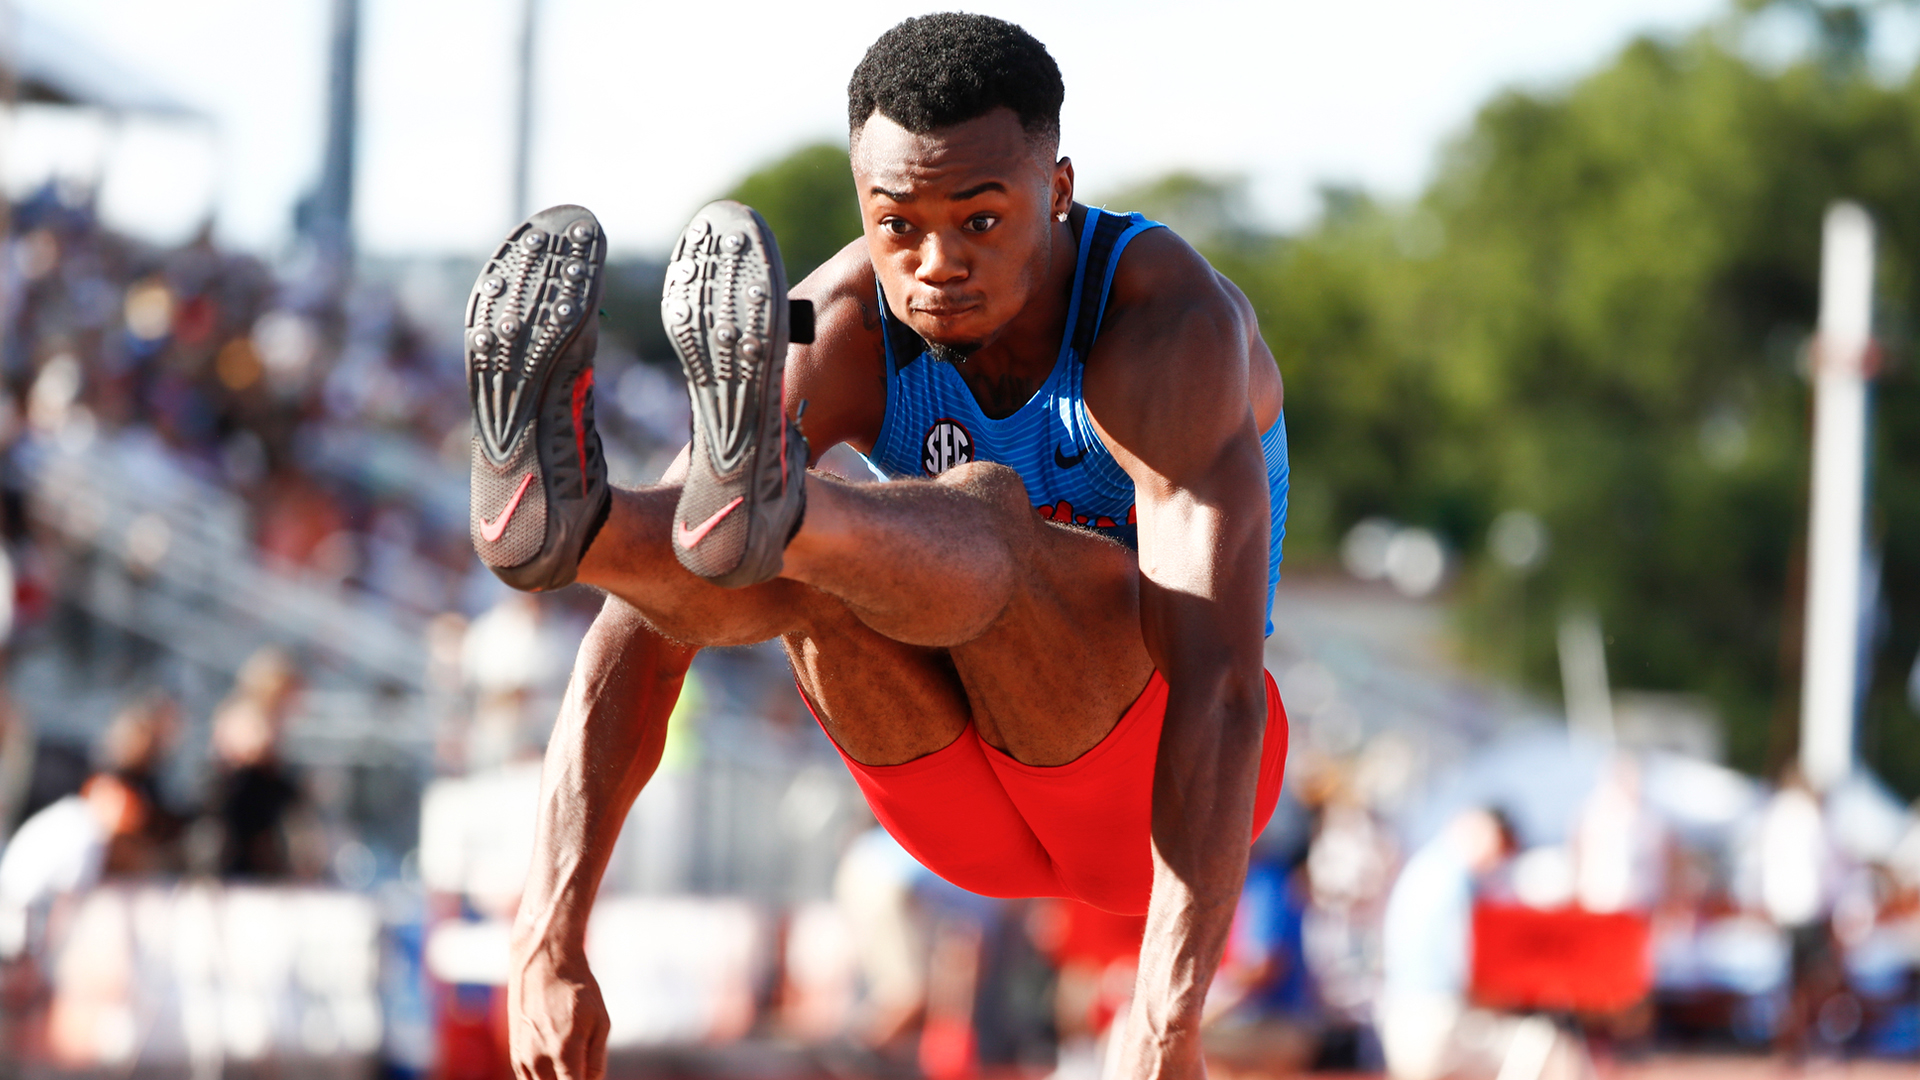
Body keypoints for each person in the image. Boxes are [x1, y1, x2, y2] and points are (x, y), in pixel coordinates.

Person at [467, 15, 1290, 1079]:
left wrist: (1167, 1006)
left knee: (981, 508)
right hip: (950, 802)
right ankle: (580, 524)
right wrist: (549, 932)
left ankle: (773, 510)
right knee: (764, 565)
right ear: (864, 203)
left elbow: (1220, 689)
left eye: (981, 220)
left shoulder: (1163, 323)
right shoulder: (841, 314)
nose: (936, 264)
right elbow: (648, 625)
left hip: (1140, 806)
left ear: (1058, 188)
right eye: (897, 225)